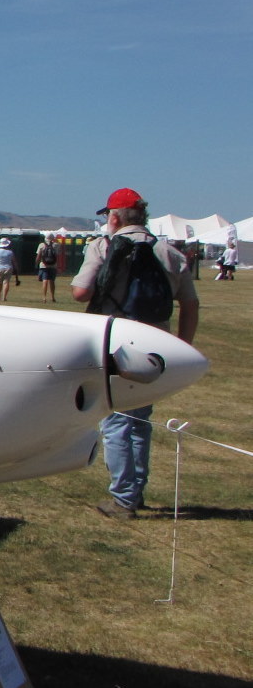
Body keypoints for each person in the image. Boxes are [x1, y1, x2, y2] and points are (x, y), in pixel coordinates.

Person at [71, 188, 199, 520]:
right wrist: (183, 346)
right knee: (140, 421)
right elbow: (190, 302)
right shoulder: (169, 252)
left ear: (113, 217)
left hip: (116, 344)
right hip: (156, 345)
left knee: (115, 421)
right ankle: (135, 490)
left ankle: (124, 498)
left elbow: (80, 292)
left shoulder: (102, 247)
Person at [0, 237, 18, 301]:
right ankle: (4, 297)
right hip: (8, 267)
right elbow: (14, 261)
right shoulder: (10, 252)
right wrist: (16, 268)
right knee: (6, 282)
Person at [35, 235, 60, 302]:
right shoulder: (56, 245)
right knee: (52, 281)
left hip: (43, 265)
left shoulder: (41, 245)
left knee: (44, 281)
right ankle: (52, 297)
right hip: (53, 265)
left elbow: (38, 256)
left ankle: (44, 297)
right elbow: (57, 255)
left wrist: (36, 264)